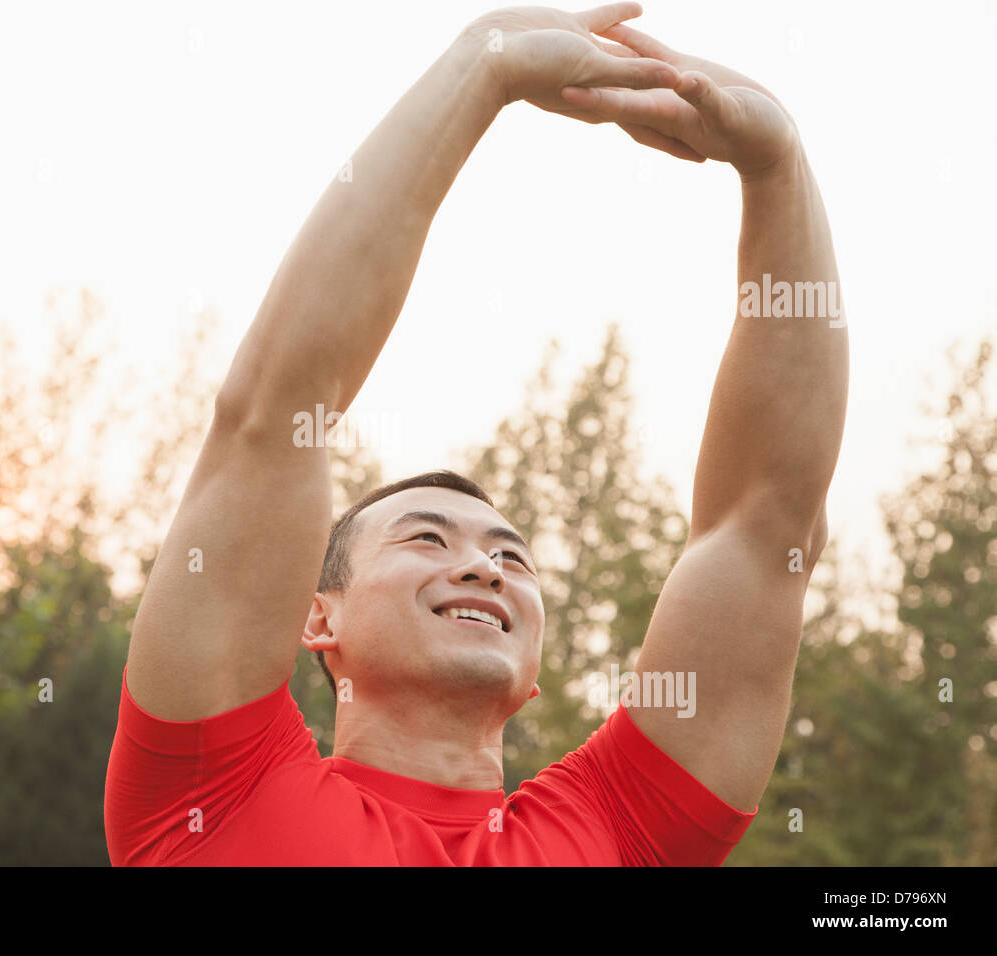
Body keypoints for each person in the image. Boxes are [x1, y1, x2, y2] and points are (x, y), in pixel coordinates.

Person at [104, 2, 847, 865]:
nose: (484, 567)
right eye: (427, 537)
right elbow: (275, 414)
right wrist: (481, 67)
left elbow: (766, 525)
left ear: (534, 666)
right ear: (317, 618)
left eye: (514, 559)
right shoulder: (214, 794)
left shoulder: (620, 832)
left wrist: (778, 167)